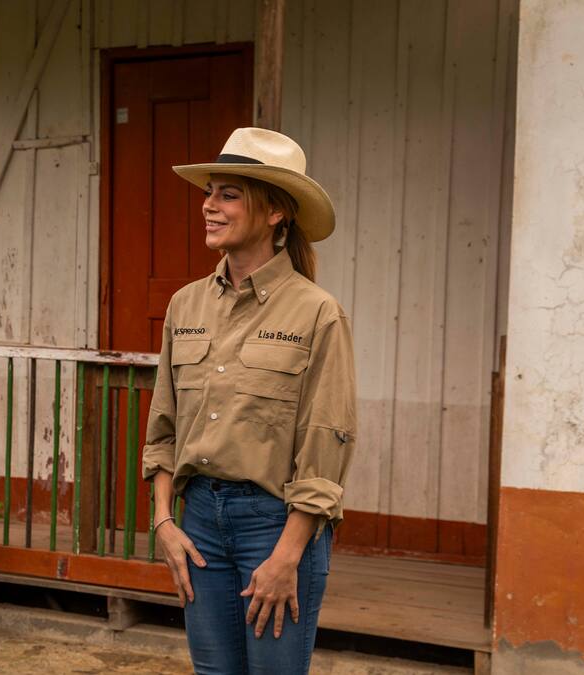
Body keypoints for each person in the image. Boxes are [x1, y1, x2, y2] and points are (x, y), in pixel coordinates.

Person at [143, 127, 357, 674]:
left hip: (277, 526)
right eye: (209, 192)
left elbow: (325, 445)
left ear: (275, 212)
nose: (209, 206)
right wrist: (164, 522)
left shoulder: (317, 313)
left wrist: (287, 556)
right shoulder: (185, 305)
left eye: (229, 194)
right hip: (199, 524)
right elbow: (163, 428)